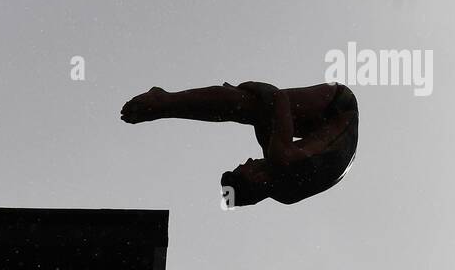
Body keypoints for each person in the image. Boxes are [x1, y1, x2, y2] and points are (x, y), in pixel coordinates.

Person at [120, 81, 358, 206]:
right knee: (248, 105)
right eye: (243, 167)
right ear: (255, 179)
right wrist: (245, 87)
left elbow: (269, 121)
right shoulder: (281, 157)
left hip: (332, 138)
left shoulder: (283, 192)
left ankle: (167, 103)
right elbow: (277, 97)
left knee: (251, 110)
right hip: (339, 107)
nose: (247, 161)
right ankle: (164, 102)